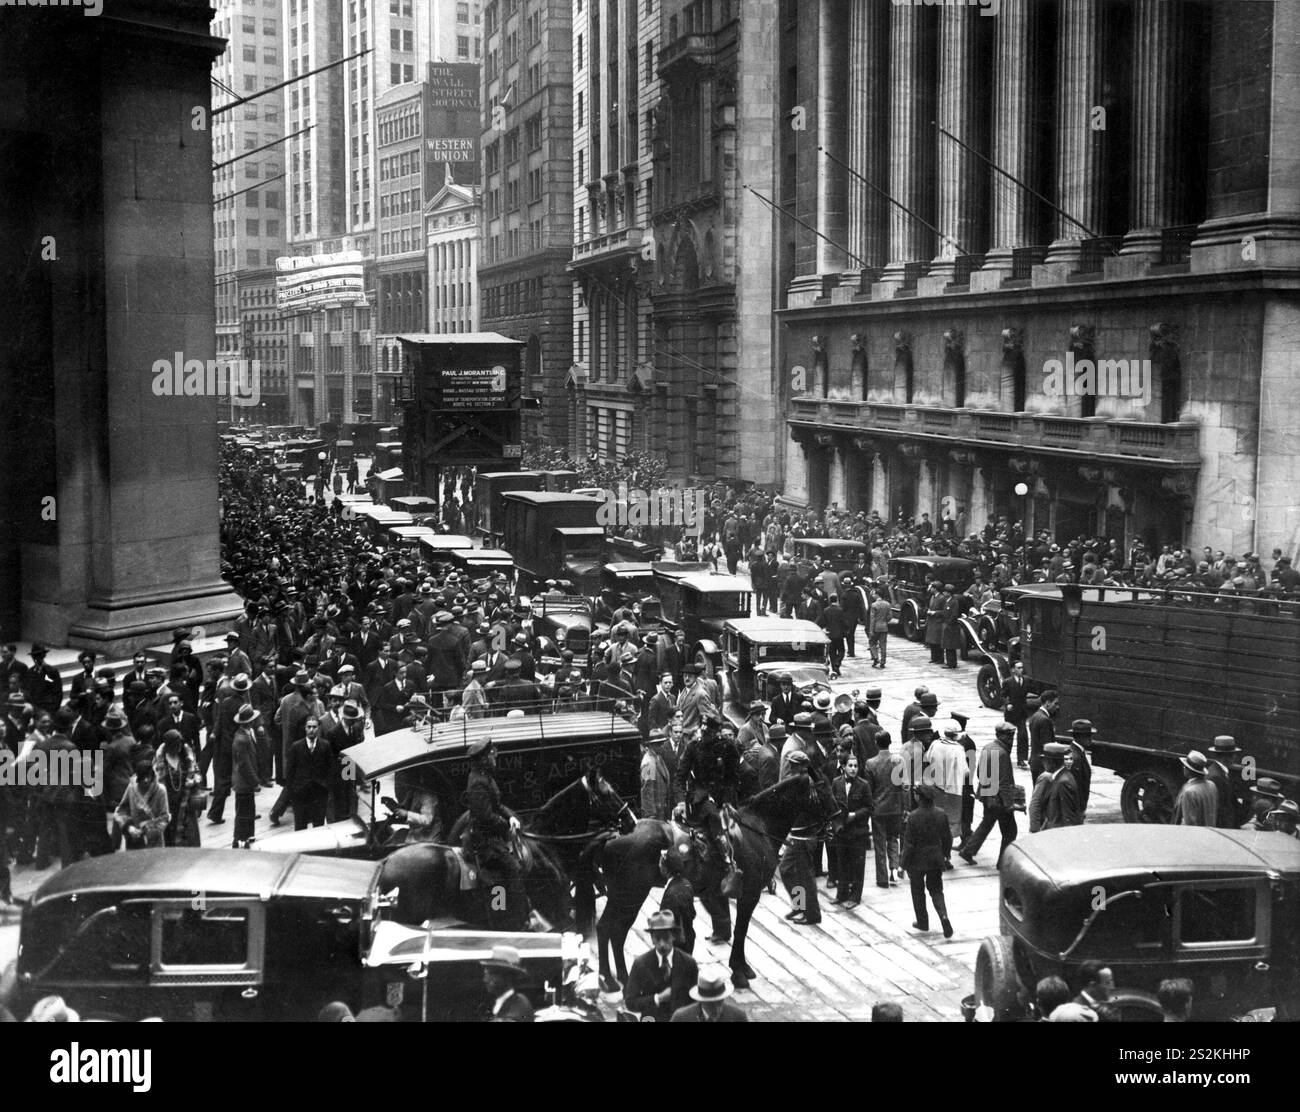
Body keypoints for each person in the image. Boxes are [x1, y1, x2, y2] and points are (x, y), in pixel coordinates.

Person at [674, 720, 740, 886]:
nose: (703, 733)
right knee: (714, 817)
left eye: (708, 731)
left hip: (723, 797)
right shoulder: (693, 747)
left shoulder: (727, 748)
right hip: (700, 798)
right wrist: (681, 802)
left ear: (716, 732)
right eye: (702, 729)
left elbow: (732, 778)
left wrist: (726, 801)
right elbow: (679, 778)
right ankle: (728, 864)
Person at [623, 910, 700, 1022]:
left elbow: (695, 1001)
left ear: (674, 936)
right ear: (651, 938)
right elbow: (630, 1002)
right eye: (657, 938)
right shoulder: (640, 964)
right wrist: (658, 998)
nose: (662, 944)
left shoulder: (688, 963)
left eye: (666, 938)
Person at [961, 723, 1018, 868]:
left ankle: (968, 850)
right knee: (1010, 832)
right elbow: (1005, 781)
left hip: (987, 794)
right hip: (999, 798)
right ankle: (1003, 863)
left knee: (986, 823)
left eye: (1012, 735)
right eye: (1008, 735)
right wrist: (1009, 803)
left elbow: (980, 772)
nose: (1011, 739)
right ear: (1000, 735)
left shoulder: (988, 747)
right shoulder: (1002, 753)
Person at [902, 785, 953, 938]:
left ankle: (922, 922)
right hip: (935, 858)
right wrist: (946, 854)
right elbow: (947, 838)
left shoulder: (913, 817)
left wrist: (902, 864)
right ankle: (943, 916)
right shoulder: (941, 814)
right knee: (936, 889)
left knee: (917, 891)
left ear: (918, 797)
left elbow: (909, 844)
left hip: (917, 861)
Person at [777, 750, 821, 926]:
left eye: (794, 765)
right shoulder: (799, 782)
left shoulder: (805, 783)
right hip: (797, 834)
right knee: (786, 869)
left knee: (806, 877)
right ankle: (799, 905)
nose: (791, 767)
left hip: (804, 836)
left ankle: (812, 914)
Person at [831, 753, 871, 908]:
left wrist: (855, 815)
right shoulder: (836, 783)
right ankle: (841, 894)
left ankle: (855, 896)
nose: (853, 769)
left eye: (855, 766)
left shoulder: (864, 785)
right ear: (843, 767)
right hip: (842, 831)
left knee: (857, 865)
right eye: (850, 766)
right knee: (842, 863)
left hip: (858, 832)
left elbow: (869, 808)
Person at [864, 733, 903, 887]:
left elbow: (869, 789)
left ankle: (882, 878)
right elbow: (903, 786)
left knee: (880, 843)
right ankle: (894, 869)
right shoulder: (898, 760)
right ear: (890, 742)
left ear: (876, 743)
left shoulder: (870, 763)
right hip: (895, 806)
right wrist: (904, 807)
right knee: (893, 838)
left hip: (878, 808)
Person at [152, 729, 202, 847]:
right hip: (169, 804)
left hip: (185, 803)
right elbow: (155, 781)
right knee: (170, 835)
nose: (179, 747)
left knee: (189, 835)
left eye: (180, 744)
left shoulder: (186, 758)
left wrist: (195, 780)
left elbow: (197, 773)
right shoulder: (160, 760)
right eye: (176, 745)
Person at [285, 716, 333, 830]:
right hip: (301, 793)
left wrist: (327, 787)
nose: (312, 730)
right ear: (305, 728)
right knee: (301, 826)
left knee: (319, 825)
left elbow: (330, 768)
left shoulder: (325, 745)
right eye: (309, 727)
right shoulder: (296, 746)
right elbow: (290, 771)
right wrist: (293, 792)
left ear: (319, 728)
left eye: (314, 727)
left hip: (319, 792)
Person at [113, 762, 171, 850]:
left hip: (154, 841)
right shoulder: (131, 788)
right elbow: (120, 811)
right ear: (138, 777)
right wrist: (129, 828)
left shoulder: (161, 790)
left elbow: (165, 817)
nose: (146, 780)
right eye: (143, 777)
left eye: (148, 776)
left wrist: (147, 830)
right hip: (134, 839)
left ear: (152, 775)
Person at [670, 965, 748, 1023]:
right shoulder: (681, 1018)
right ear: (701, 1000)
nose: (716, 1009)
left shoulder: (738, 1017)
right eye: (710, 1004)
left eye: (719, 1001)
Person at [231, 703, 261, 848]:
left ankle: (247, 835)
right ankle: (238, 838)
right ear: (250, 721)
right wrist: (255, 781)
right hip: (244, 782)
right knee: (243, 811)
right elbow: (244, 764)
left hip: (244, 782)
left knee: (248, 809)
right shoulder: (242, 739)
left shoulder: (245, 734)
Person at [479, 945, 534, 1022]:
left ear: (507, 978)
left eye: (491, 975)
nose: (485, 980)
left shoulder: (519, 1005)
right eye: (486, 975)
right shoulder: (500, 1002)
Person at [659, 846, 697, 954]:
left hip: (676, 946)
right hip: (689, 940)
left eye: (661, 863)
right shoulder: (687, 884)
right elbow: (692, 913)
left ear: (666, 870)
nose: (659, 865)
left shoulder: (670, 895)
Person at [1040, 743, 1082, 830]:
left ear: (1052, 762)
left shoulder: (1063, 782)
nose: (1043, 763)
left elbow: (1068, 817)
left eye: (1045, 760)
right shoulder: (1060, 777)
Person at [1172, 751, 1218, 827]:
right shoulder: (1212, 785)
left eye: (1185, 766)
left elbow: (1188, 823)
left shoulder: (1189, 792)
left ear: (1188, 770)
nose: (1183, 768)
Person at [1000, 661, 1031, 769]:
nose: (1021, 670)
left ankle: (1021, 759)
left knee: (1023, 736)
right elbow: (1003, 695)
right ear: (1013, 670)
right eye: (1018, 668)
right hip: (1011, 714)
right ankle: (1005, 758)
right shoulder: (1008, 682)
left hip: (1022, 713)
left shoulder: (1026, 680)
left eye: (1022, 667)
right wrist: (1007, 704)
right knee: (1008, 737)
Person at [640, 731, 674, 821]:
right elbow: (646, 791)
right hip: (655, 814)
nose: (662, 746)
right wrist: (650, 814)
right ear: (651, 745)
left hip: (662, 809)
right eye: (659, 744)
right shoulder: (648, 763)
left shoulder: (658, 757)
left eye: (662, 743)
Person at [867, 589, 892, 669]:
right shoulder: (887, 604)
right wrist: (885, 621)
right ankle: (883, 662)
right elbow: (890, 617)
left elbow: (872, 618)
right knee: (883, 645)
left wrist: (871, 630)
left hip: (875, 627)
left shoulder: (874, 605)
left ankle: (875, 657)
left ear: (877, 595)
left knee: (872, 643)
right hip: (884, 627)